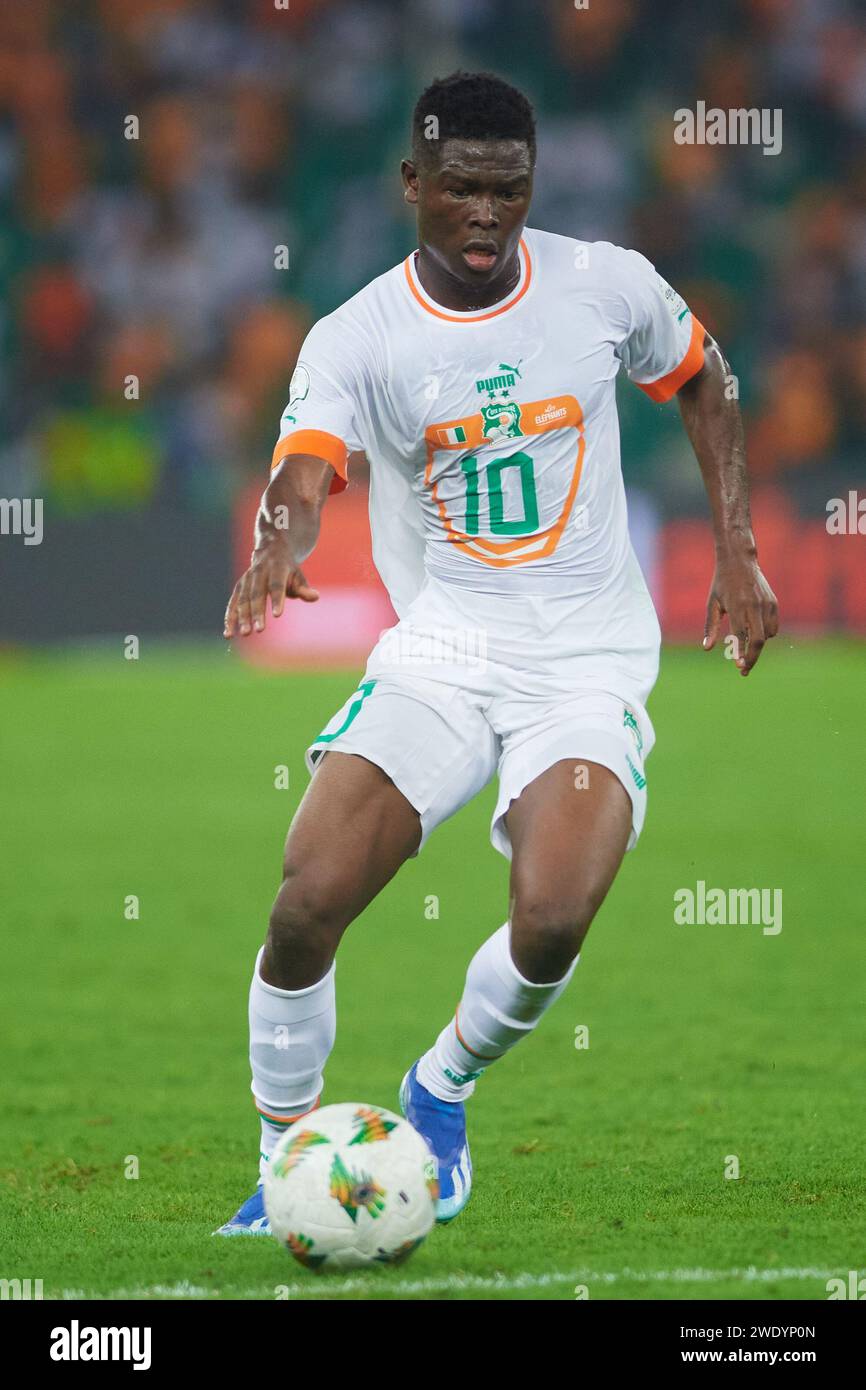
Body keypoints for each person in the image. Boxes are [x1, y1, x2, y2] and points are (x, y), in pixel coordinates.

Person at [216, 71, 778, 1235]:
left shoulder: (602, 284)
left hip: (584, 662)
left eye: (508, 190)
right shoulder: (359, 335)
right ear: (412, 186)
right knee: (305, 902)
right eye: (462, 188)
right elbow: (305, 465)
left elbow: (706, 381)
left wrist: (736, 546)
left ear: (532, 186)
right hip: (445, 648)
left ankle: (440, 1087)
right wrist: (278, 540)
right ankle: (285, 1165)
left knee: (554, 916)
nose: (486, 213)